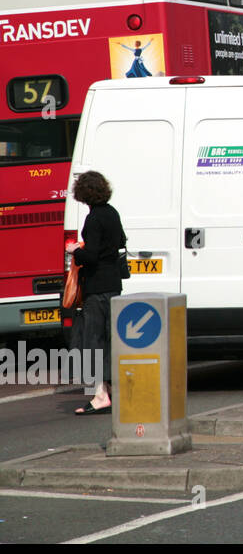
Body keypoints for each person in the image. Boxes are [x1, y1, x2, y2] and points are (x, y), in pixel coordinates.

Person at [70, 170, 126, 415]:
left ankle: (100, 395)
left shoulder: (93, 219)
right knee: (112, 338)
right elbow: (120, 240)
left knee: (94, 340)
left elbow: (90, 256)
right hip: (113, 284)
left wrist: (75, 251)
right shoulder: (112, 213)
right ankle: (112, 390)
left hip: (97, 286)